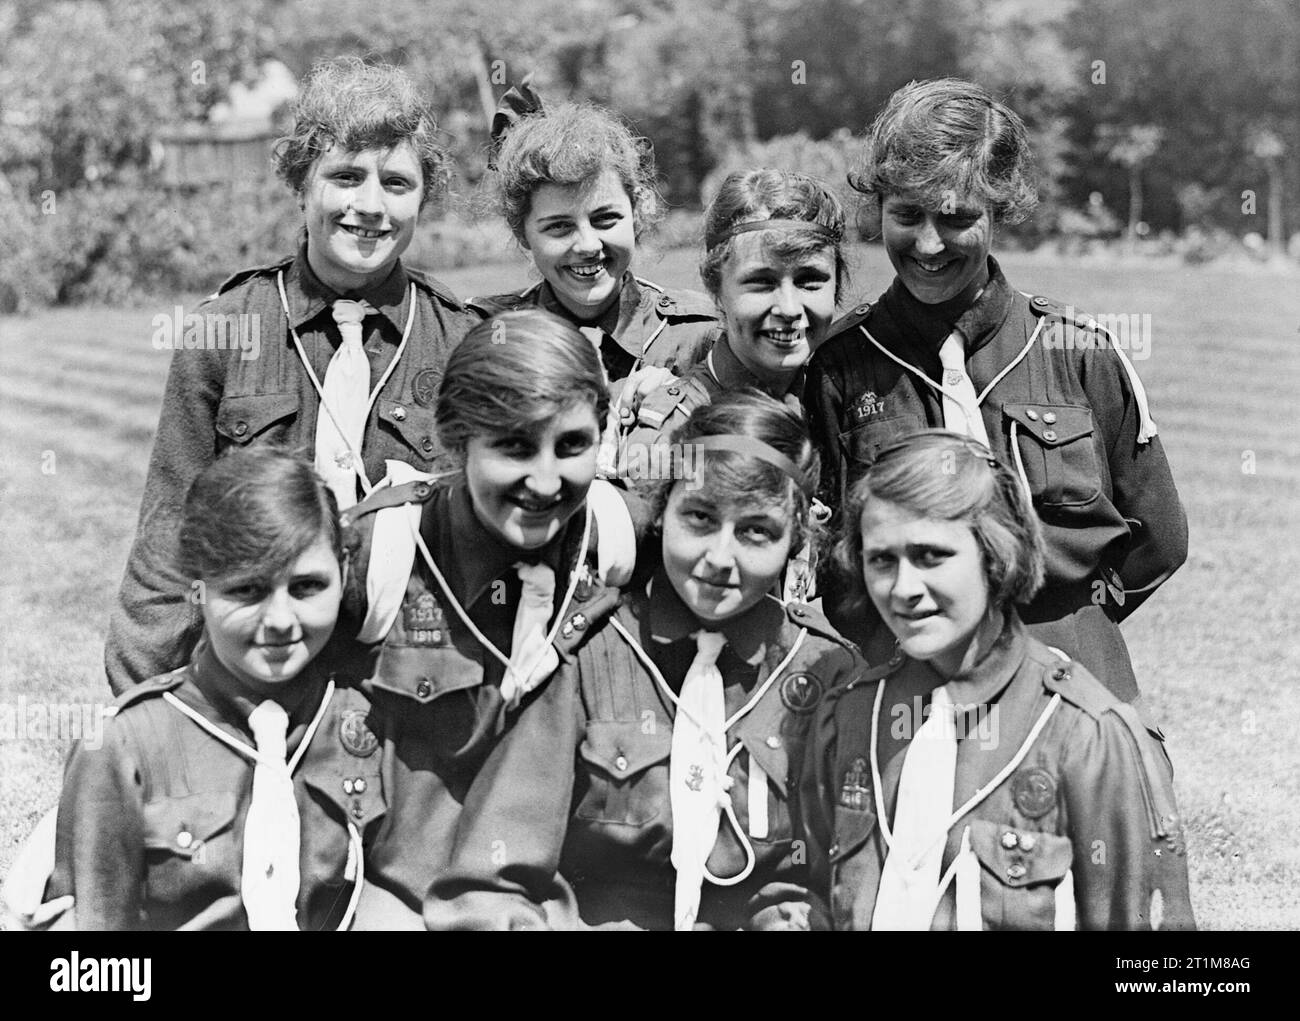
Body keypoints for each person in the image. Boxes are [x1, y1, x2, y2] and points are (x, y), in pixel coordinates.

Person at [804, 78, 1187, 702]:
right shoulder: (843, 366)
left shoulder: (1077, 350)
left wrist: (1078, 625)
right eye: (907, 216)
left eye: (957, 219)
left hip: (1069, 669)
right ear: (880, 210)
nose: (929, 244)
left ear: (1001, 209)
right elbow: (833, 560)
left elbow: (1159, 538)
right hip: (911, 679)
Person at [425, 391, 867, 930]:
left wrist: (795, 915)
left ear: (795, 540)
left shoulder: (827, 672)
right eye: (700, 517)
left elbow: (840, 874)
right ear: (663, 512)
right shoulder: (587, 653)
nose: (719, 559)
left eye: (756, 531)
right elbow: (497, 876)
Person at [105, 56, 478, 694]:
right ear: (300, 184)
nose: (370, 205)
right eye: (345, 176)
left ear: (423, 198)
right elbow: (168, 541)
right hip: (254, 675)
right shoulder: (221, 331)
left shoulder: (461, 341)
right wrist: (156, 708)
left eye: (396, 182)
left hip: (407, 690)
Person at [799, 431, 1195, 931]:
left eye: (931, 557)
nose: (903, 589)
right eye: (882, 560)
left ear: (996, 554)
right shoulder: (851, 715)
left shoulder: (1090, 735)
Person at [336, 309, 631, 928]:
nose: (546, 481)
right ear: (455, 439)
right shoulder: (378, 553)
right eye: (514, 446)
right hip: (393, 907)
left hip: (546, 908)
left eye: (572, 445)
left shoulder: (615, 539)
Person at [45, 448, 382, 930]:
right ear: (197, 589)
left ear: (343, 576)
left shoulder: (369, 726)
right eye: (247, 590)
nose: (281, 621)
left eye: (307, 587)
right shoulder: (122, 748)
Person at [472, 85, 719, 391]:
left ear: (637, 213)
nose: (588, 245)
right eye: (559, 227)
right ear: (521, 231)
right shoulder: (489, 335)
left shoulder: (699, 332)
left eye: (605, 219)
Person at [622, 168, 847, 471]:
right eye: (762, 283)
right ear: (715, 289)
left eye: (810, 281)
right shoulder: (677, 433)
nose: (790, 308)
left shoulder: (842, 400)